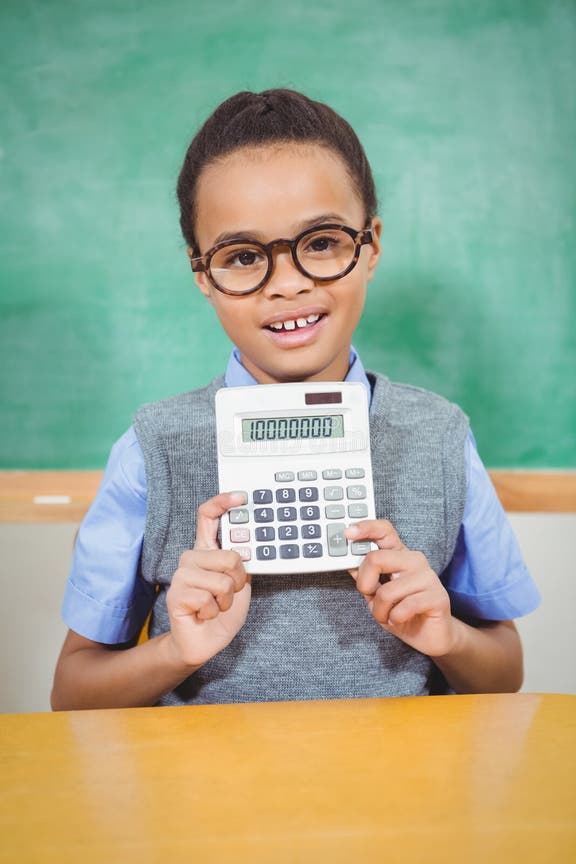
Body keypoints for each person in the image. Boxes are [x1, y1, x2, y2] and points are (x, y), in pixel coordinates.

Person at [51, 89, 540, 710]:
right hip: (202, 799)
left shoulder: (439, 435)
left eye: (321, 243)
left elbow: (505, 671)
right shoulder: (156, 449)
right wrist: (177, 651)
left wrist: (446, 638)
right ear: (202, 274)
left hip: (404, 794)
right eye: (244, 256)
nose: (288, 285)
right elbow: (72, 693)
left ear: (372, 245)